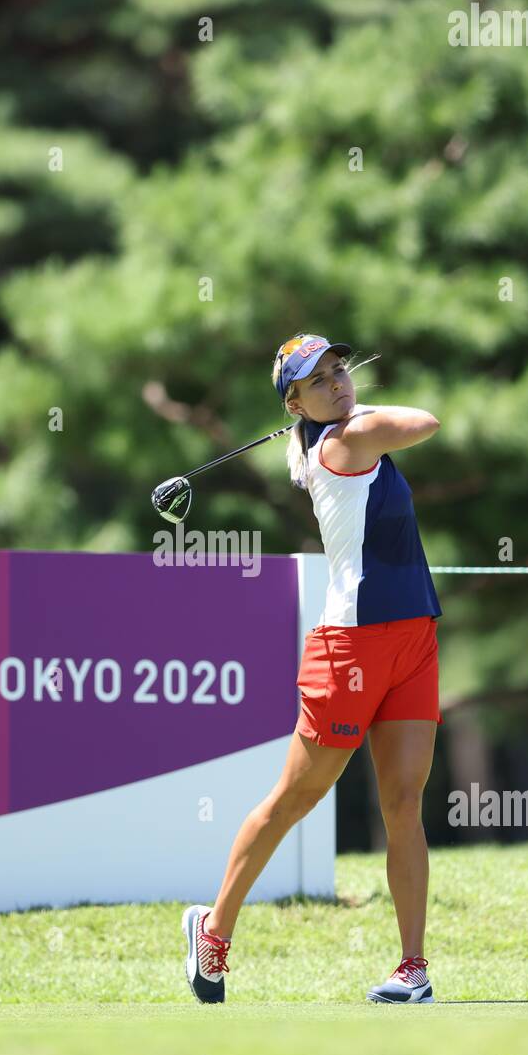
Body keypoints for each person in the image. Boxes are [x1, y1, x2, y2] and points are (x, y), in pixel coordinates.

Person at [182, 332, 443, 1005]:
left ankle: (412, 968)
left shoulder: (332, 433)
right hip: (351, 649)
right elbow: (425, 421)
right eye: (318, 381)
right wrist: (349, 410)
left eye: (339, 370)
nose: (339, 383)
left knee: (405, 804)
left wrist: (337, 404)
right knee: (296, 798)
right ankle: (213, 930)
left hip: (412, 634)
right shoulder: (342, 442)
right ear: (294, 402)